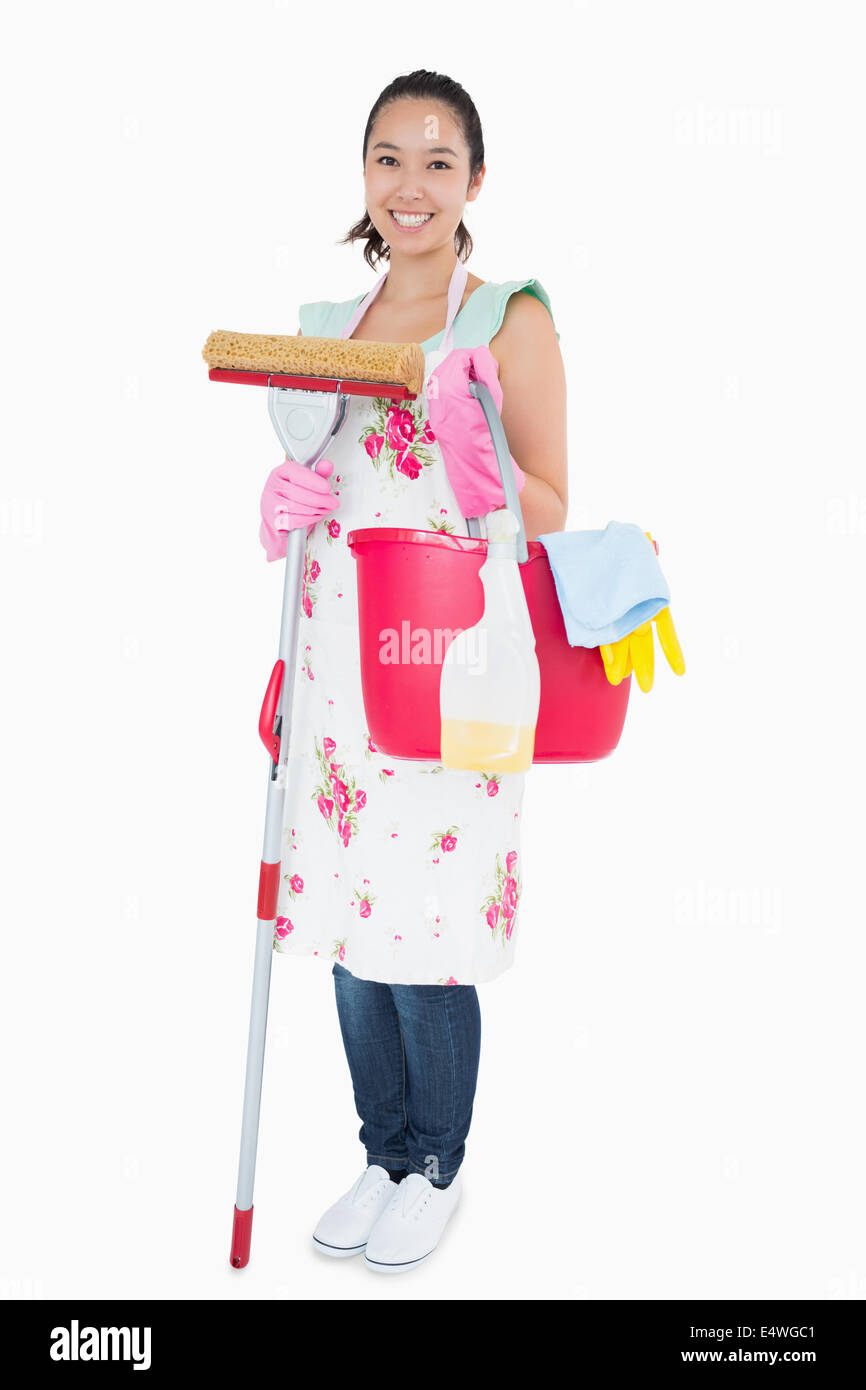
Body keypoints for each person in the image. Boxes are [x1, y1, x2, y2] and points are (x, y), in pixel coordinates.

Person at [259, 69, 567, 1273]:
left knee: (424, 925)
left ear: (474, 181)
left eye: (439, 162)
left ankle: (437, 1164)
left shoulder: (508, 321)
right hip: (337, 662)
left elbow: (549, 501)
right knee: (345, 919)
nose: (412, 184)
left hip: (451, 665)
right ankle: (380, 1151)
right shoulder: (325, 329)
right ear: (364, 179)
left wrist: (487, 477)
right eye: (389, 158)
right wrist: (276, 509)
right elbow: (313, 490)